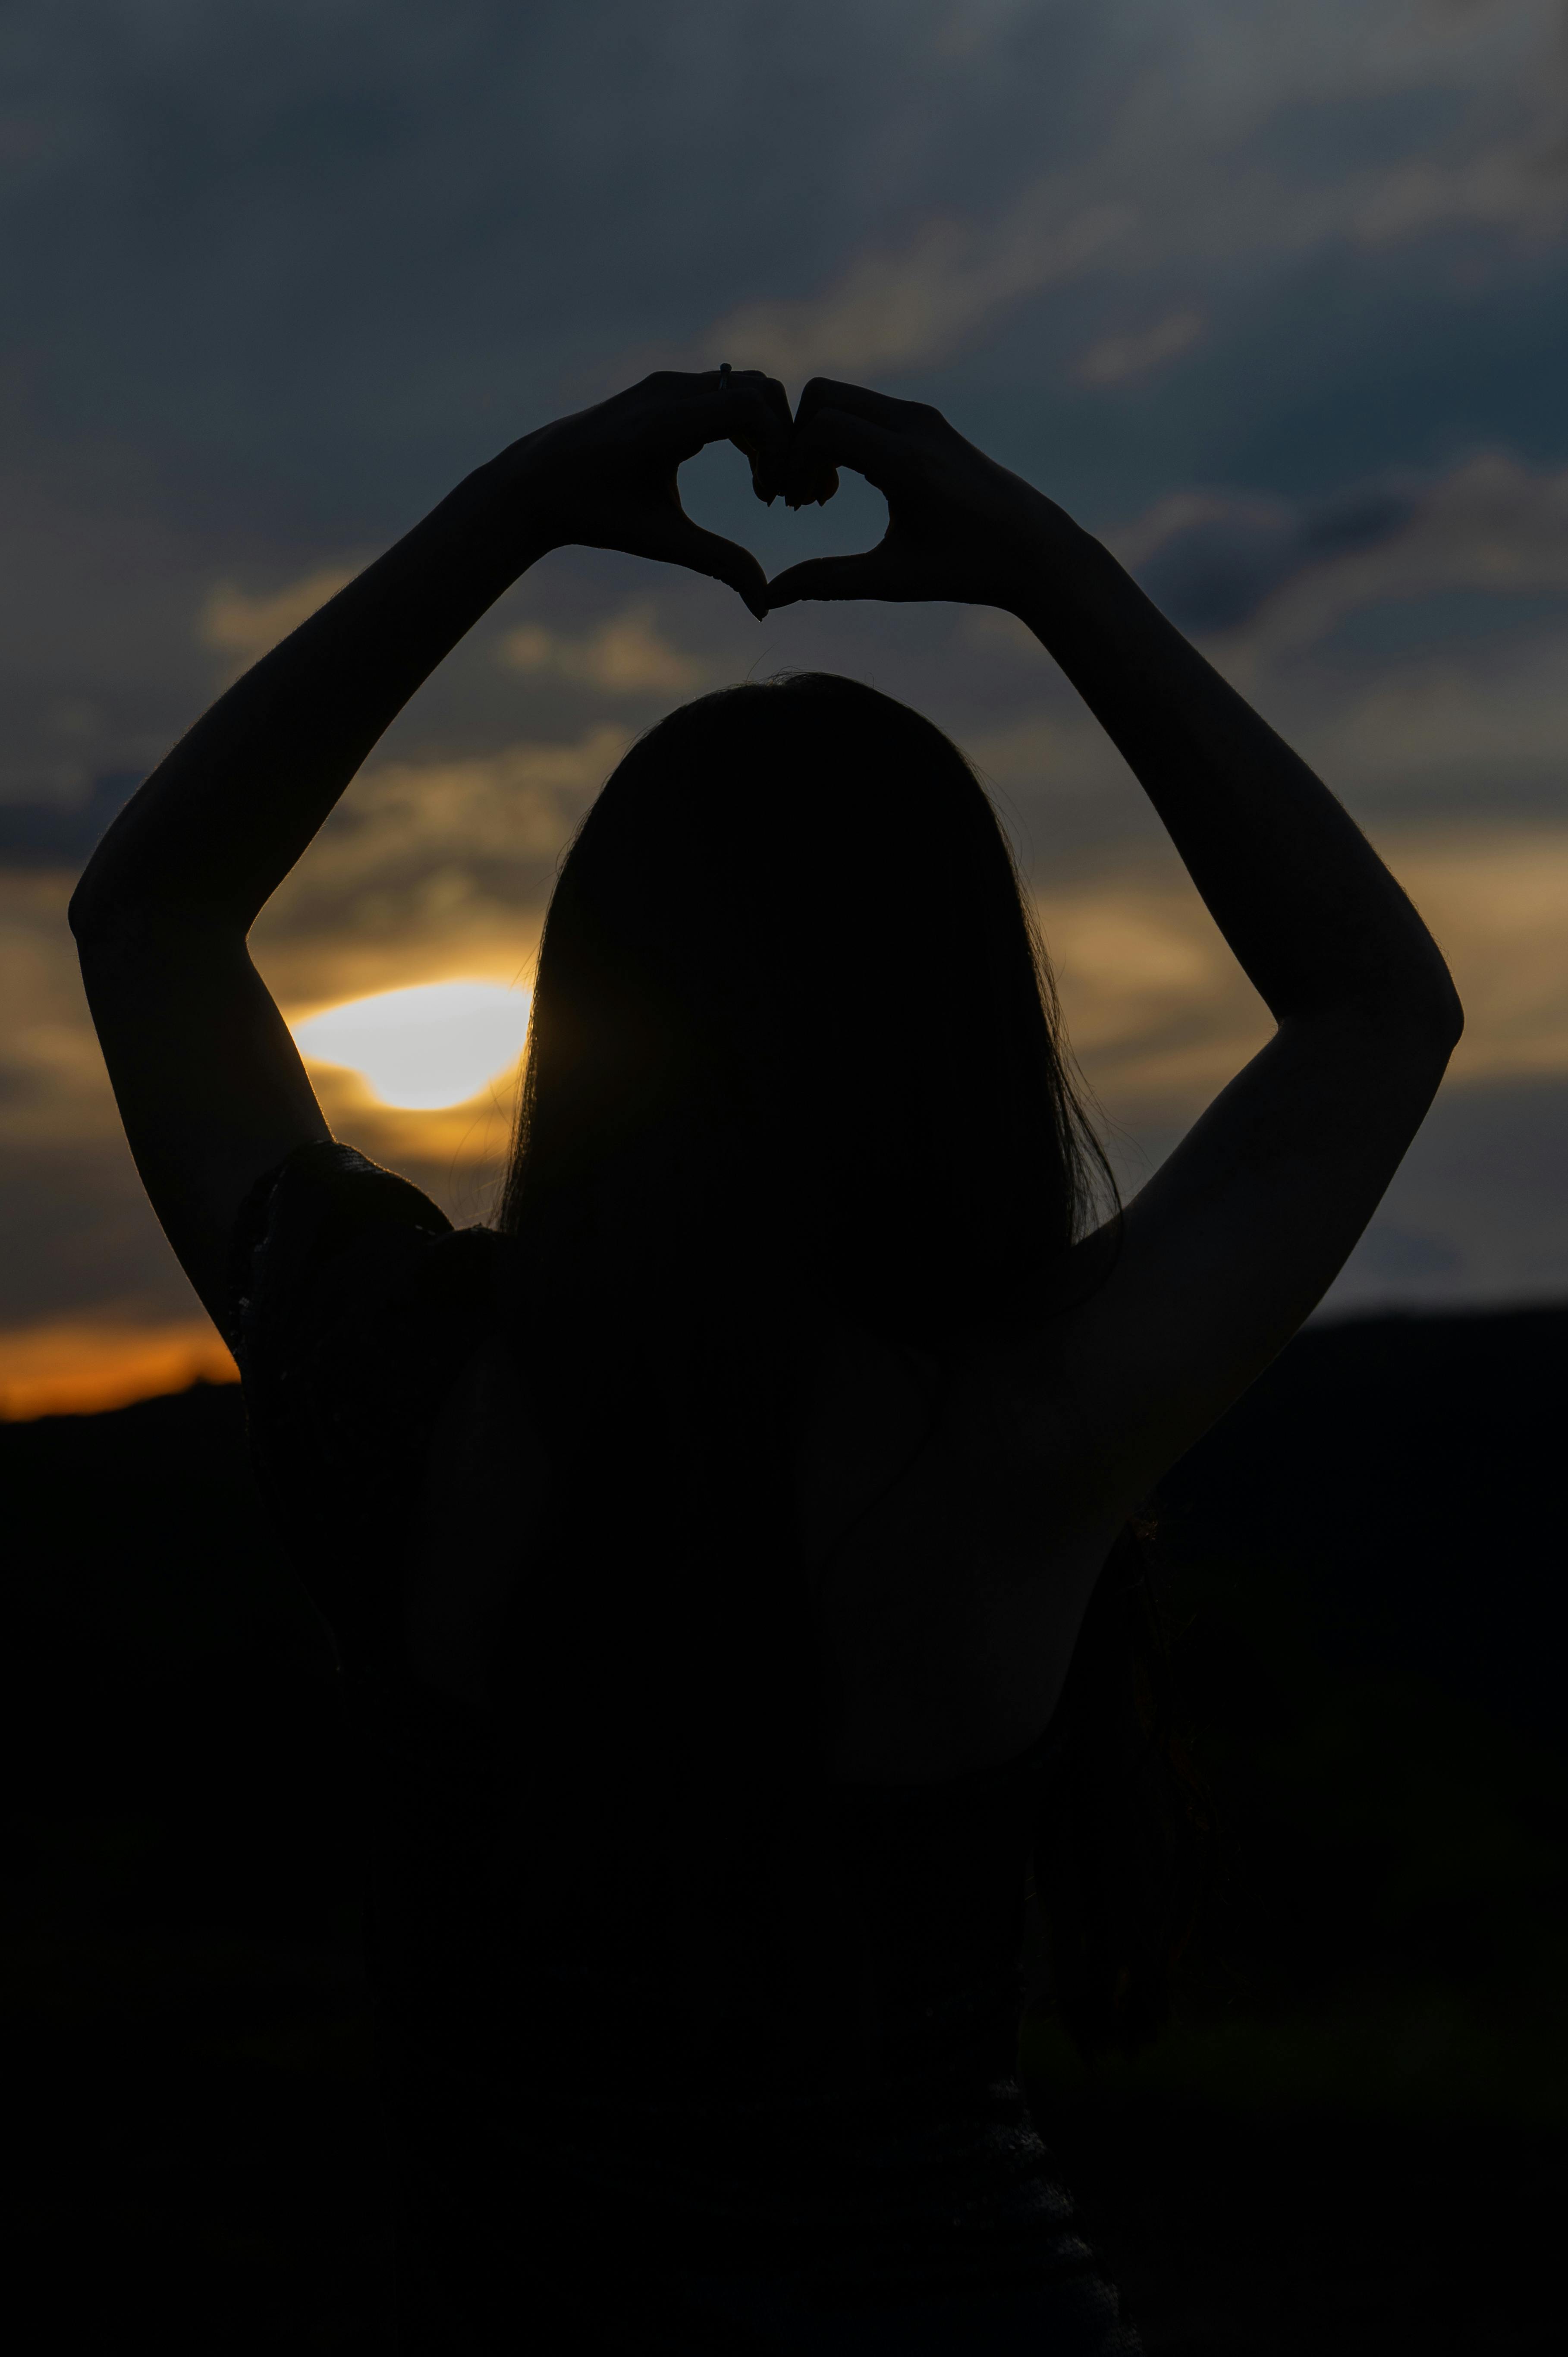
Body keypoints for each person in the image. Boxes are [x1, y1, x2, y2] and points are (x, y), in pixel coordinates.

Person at [70, 370, 1462, 2352]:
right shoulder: (1020, 1429)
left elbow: (153, 916)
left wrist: (516, 506)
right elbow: (1373, 1007)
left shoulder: (398, 1383)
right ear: (974, 1027)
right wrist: (1045, 569)